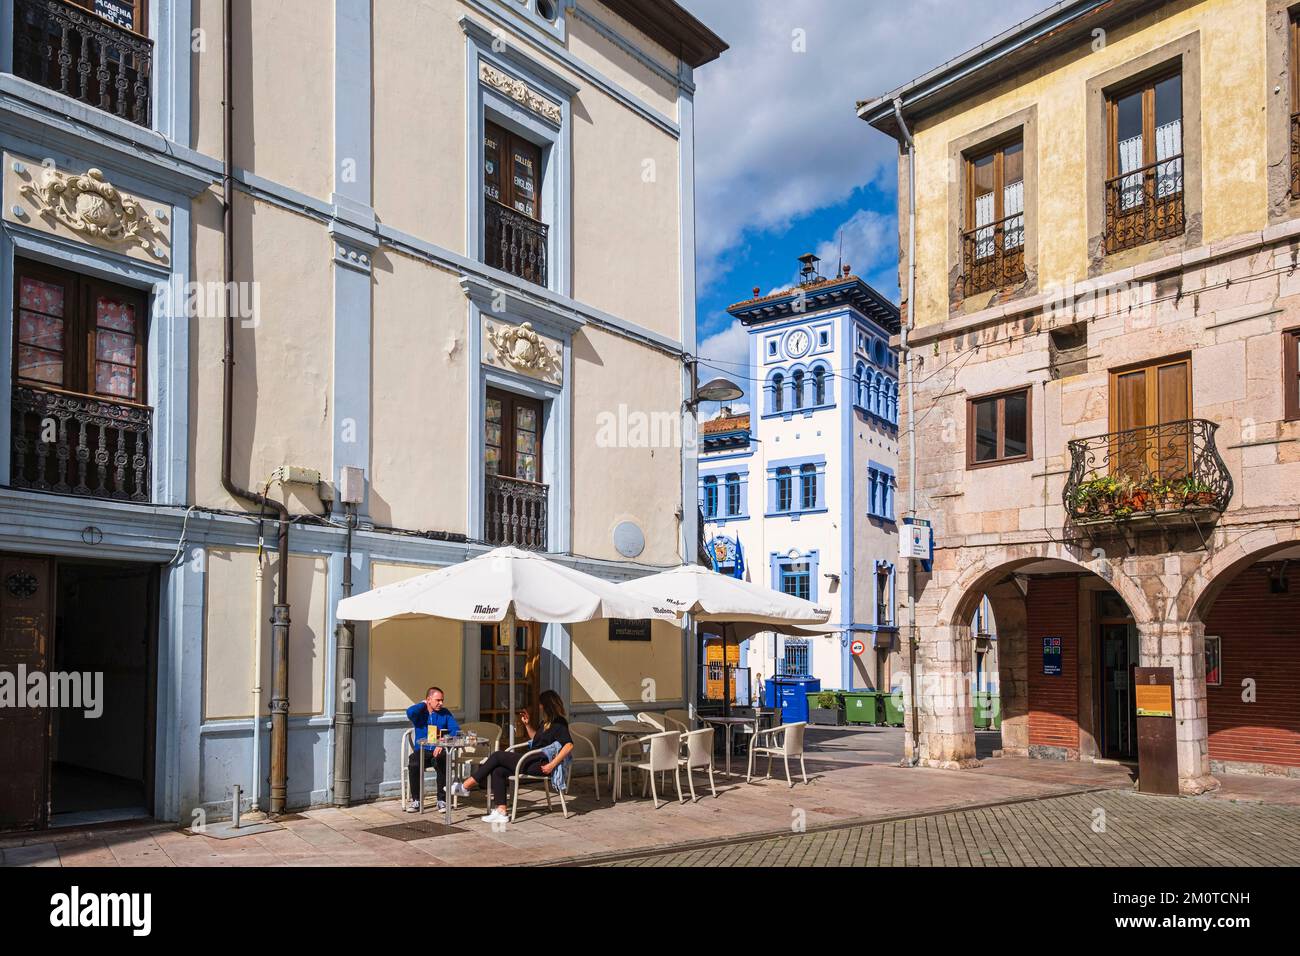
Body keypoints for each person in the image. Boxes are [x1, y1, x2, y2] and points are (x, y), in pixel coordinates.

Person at [451, 689, 573, 824]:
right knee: (498, 770)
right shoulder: (545, 722)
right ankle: (501, 811)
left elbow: (568, 745)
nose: (539, 706)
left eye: (540, 704)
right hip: (532, 759)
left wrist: (552, 764)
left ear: (546, 705)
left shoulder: (559, 723)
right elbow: (537, 741)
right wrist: (527, 724)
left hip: (541, 764)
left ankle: (466, 786)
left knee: (497, 756)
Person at [405, 686, 460, 813]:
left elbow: (456, 730)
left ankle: (441, 800)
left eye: (442, 700)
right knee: (413, 762)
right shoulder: (419, 714)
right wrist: (423, 704)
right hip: (423, 751)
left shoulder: (445, 713)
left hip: (438, 751)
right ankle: (416, 800)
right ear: (429, 699)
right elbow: (409, 712)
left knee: (442, 760)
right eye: (438, 700)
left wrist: (442, 744)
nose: (441, 703)